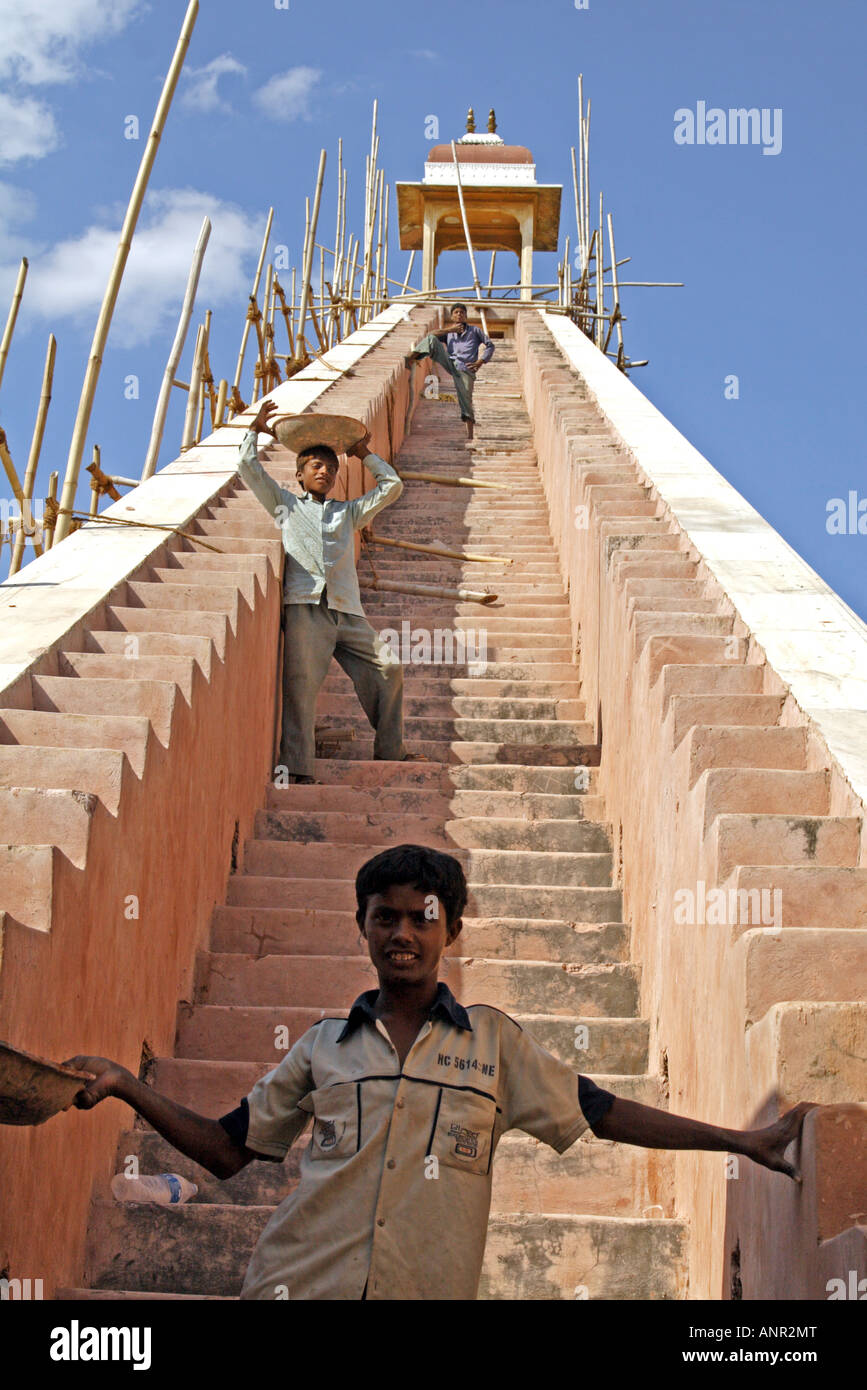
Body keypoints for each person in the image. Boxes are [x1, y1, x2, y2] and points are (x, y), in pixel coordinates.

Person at [66, 845, 815, 1302]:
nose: (402, 933)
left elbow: (603, 1112)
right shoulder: (323, 1047)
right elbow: (229, 1150)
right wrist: (130, 1087)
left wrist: (739, 1141)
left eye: (421, 918)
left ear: (450, 931)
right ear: (362, 927)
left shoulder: (493, 1045)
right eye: (383, 917)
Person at [236, 398, 422, 784]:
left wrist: (363, 453)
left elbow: (392, 487)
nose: (325, 472)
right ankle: (297, 770)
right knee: (301, 689)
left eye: (331, 468)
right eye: (316, 467)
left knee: (388, 669)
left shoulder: (348, 512)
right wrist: (254, 429)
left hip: (348, 610)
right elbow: (247, 467)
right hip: (306, 608)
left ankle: (391, 750)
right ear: (300, 475)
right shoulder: (284, 504)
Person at [405, 303, 494, 443]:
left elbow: (490, 345)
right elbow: (430, 335)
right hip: (451, 363)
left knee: (466, 399)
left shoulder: (475, 331)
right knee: (431, 340)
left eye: (462, 313)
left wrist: (480, 361)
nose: (459, 315)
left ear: (466, 316)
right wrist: (449, 330)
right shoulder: (449, 333)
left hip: (466, 368)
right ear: (452, 316)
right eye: (456, 312)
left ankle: (470, 435)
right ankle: (411, 358)